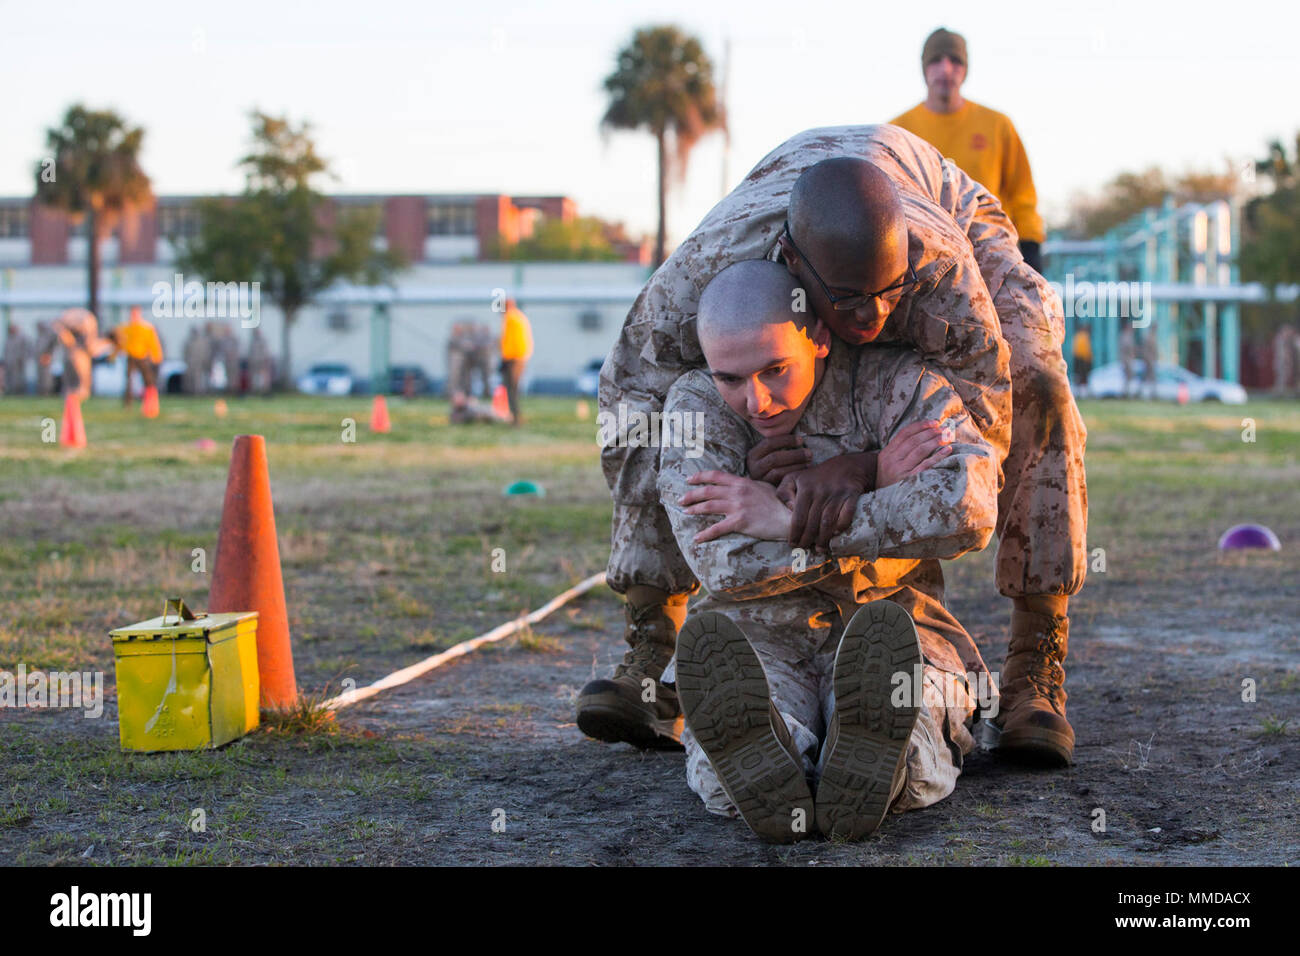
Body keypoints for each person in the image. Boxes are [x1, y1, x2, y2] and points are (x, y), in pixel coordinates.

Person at [580, 127, 1087, 768]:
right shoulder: (702, 274)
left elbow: (979, 443)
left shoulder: (939, 276)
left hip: (944, 202)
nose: (874, 317)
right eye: (852, 303)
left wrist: (863, 471)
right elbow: (630, 410)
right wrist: (745, 460)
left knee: (1040, 381)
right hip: (778, 214)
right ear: (792, 267)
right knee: (648, 418)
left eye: (886, 296)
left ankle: (1035, 658)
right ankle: (653, 647)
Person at [659, 261, 998, 842]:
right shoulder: (695, 408)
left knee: (912, 722)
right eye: (731, 379)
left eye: (774, 370)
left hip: (890, 624)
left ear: (817, 336)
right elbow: (721, 560)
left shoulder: (898, 386)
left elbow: (969, 507)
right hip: (751, 638)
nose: (757, 401)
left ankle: (862, 758)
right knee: (738, 748)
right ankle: (789, 762)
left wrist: (789, 519)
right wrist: (885, 494)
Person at [891, 28, 1046, 272]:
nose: (946, 69)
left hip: (990, 256)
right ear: (924, 68)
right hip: (922, 263)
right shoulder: (898, 131)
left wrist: (1030, 243)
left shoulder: (997, 125)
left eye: (955, 61)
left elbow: (1022, 193)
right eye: (936, 60)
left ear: (965, 68)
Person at [112, 306, 164, 405]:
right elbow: (119, 342)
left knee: (148, 380)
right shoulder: (126, 327)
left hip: (142, 356)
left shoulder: (146, 328)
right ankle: (128, 402)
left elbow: (153, 343)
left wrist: (156, 356)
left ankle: (149, 400)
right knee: (129, 380)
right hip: (130, 356)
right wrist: (115, 354)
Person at [498, 299, 533, 426]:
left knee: (511, 389)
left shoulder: (511, 318)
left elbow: (509, 341)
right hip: (519, 357)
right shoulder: (519, 317)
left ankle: (515, 417)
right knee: (513, 389)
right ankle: (515, 416)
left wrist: (505, 358)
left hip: (513, 359)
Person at [3, 322, 31, 395]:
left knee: (18, 379)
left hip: (18, 363)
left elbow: (27, 350)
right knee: (9, 379)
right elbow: (6, 351)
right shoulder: (9, 338)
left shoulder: (23, 338)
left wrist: (23, 359)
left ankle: (19, 393)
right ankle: (10, 392)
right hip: (9, 363)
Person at [1073, 324, 1093, 391]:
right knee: (1083, 376)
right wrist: (1089, 359)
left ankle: (1078, 390)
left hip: (1079, 358)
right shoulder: (1084, 336)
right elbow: (1086, 350)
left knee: (1079, 376)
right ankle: (1082, 391)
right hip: (1083, 359)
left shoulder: (1077, 336)